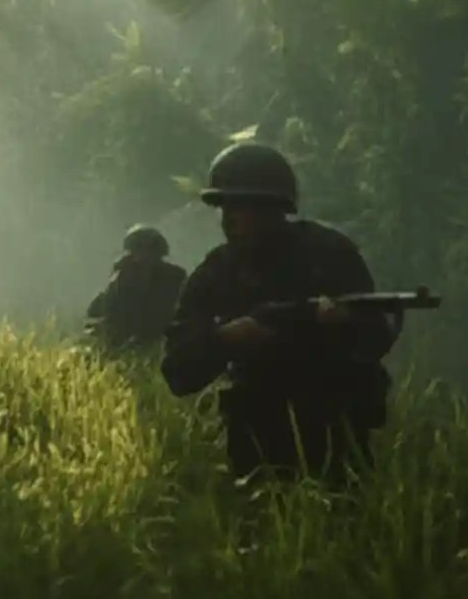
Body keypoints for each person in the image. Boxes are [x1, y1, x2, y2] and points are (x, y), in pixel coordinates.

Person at [161, 142, 399, 486]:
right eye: (224, 206)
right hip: (257, 435)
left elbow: (378, 333)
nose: (228, 217)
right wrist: (229, 338)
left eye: (240, 206)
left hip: (334, 428)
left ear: (272, 208)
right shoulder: (217, 271)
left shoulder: (327, 253)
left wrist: (334, 322)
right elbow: (178, 371)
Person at [85, 224, 186, 350]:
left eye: (150, 249)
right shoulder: (123, 274)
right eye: (139, 248)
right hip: (127, 334)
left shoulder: (174, 277)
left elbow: (180, 312)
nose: (144, 254)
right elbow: (104, 308)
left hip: (160, 334)